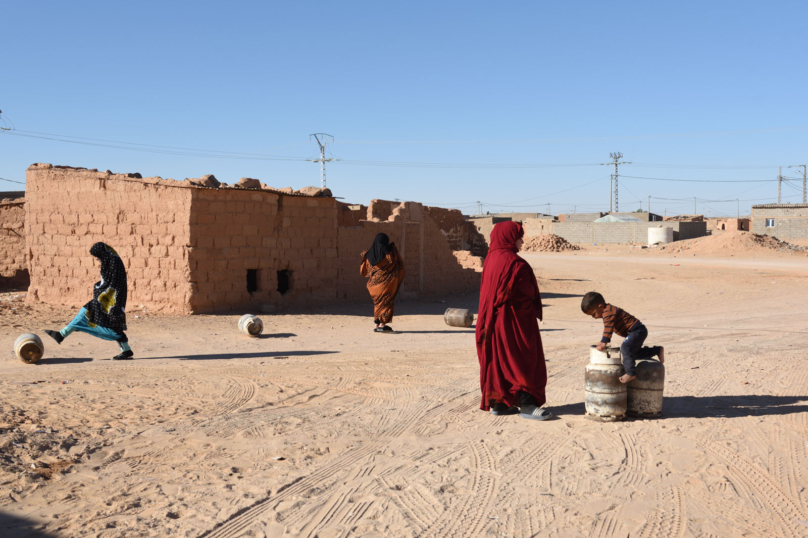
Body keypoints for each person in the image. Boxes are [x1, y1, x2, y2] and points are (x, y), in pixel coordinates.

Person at [476, 222, 552, 420]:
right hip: (514, 322)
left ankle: (500, 404)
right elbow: (528, 291)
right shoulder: (515, 264)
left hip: (492, 322)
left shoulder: (490, 259)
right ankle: (527, 405)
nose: (521, 242)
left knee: (499, 359)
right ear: (509, 238)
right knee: (521, 359)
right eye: (519, 237)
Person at [44, 242, 133, 360]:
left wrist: (98, 287)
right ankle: (126, 349)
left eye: (97, 256)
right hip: (110, 298)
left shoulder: (112, 264)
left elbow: (110, 284)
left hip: (110, 299)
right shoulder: (112, 261)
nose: (97, 259)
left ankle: (62, 334)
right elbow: (109, 282)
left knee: (92, 314)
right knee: (110, 322)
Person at [580, 292, 664, 383]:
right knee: (632, 354)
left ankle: (630, 373)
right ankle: (656, 350)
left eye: (593, 314)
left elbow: (608, 327)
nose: (593, 317)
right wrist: (602, 341)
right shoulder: (607, 311)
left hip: (637, 331)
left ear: (600, 306)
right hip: (635, 332)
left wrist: (604, 342)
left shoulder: (608, 312)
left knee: (625, 347)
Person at [360, 233, 406, 332]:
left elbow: (365, 269)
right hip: (385, 284)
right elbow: (394, 261)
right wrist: (392, 248)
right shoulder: (388, 252)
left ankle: (376, 325)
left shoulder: (369, 254)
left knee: (378, 305)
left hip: (373, 285)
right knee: (386, 303)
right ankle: (382, 324)